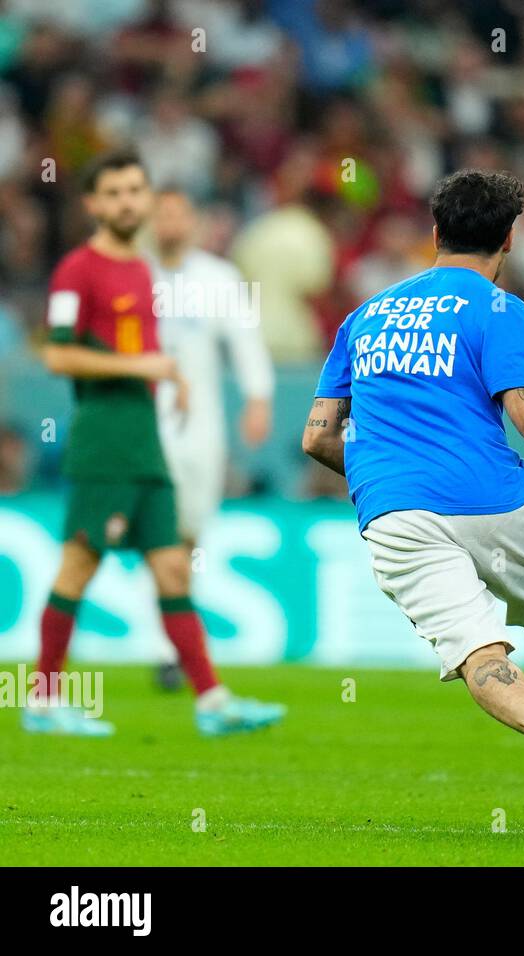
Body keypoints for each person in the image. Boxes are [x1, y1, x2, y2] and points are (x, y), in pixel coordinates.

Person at [302, 169, 524, 834]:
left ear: (435, 233)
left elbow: (317, 436)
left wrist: (382, 468)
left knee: (481, 655)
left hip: (396, 509)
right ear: (510, 240)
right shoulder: (500, 310)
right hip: (493, 497)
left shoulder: (364, 315)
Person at [28, 149, 286, 738]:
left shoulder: (142, 273)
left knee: (173, 569)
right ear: (93, 204)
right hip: (107, 441)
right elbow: (57, 353)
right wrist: (146, 364)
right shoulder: (79, 269)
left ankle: (212, 701)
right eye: (113, 193)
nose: (126, 202)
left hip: (149, 440)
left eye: (134, 191)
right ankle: (43, 698)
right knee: (78, 565)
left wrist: (170, 379)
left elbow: (152, 354)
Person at [149, 188, 275, 691]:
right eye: (162, 214)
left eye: (179, 214)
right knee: (157, 530)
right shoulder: (135, 274)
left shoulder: (218, 278)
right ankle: (166, 649)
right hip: (145, 421)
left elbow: (245, 341)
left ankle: (173, 640)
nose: (170, 224)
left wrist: (258, 397)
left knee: (189, 532)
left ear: (194, 221)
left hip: (201, 426)